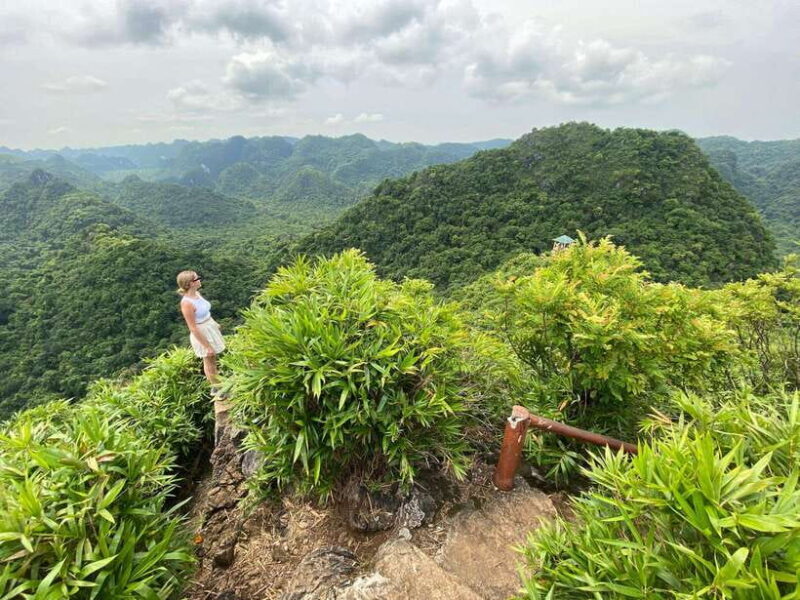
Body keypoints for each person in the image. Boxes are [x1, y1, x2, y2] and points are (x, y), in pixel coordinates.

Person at [176, 270, 230, 438]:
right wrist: (206, 345)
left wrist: (215, 324)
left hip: (209, 326)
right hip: (201, 333)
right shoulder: (186, 303)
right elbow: (192, 327)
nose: (199, 280)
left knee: (213, 359)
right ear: (189, 283)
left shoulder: (197, 294)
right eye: (196, 278)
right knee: (209, 361)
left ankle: (218, 385)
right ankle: (217, 388)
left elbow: (206, 312)